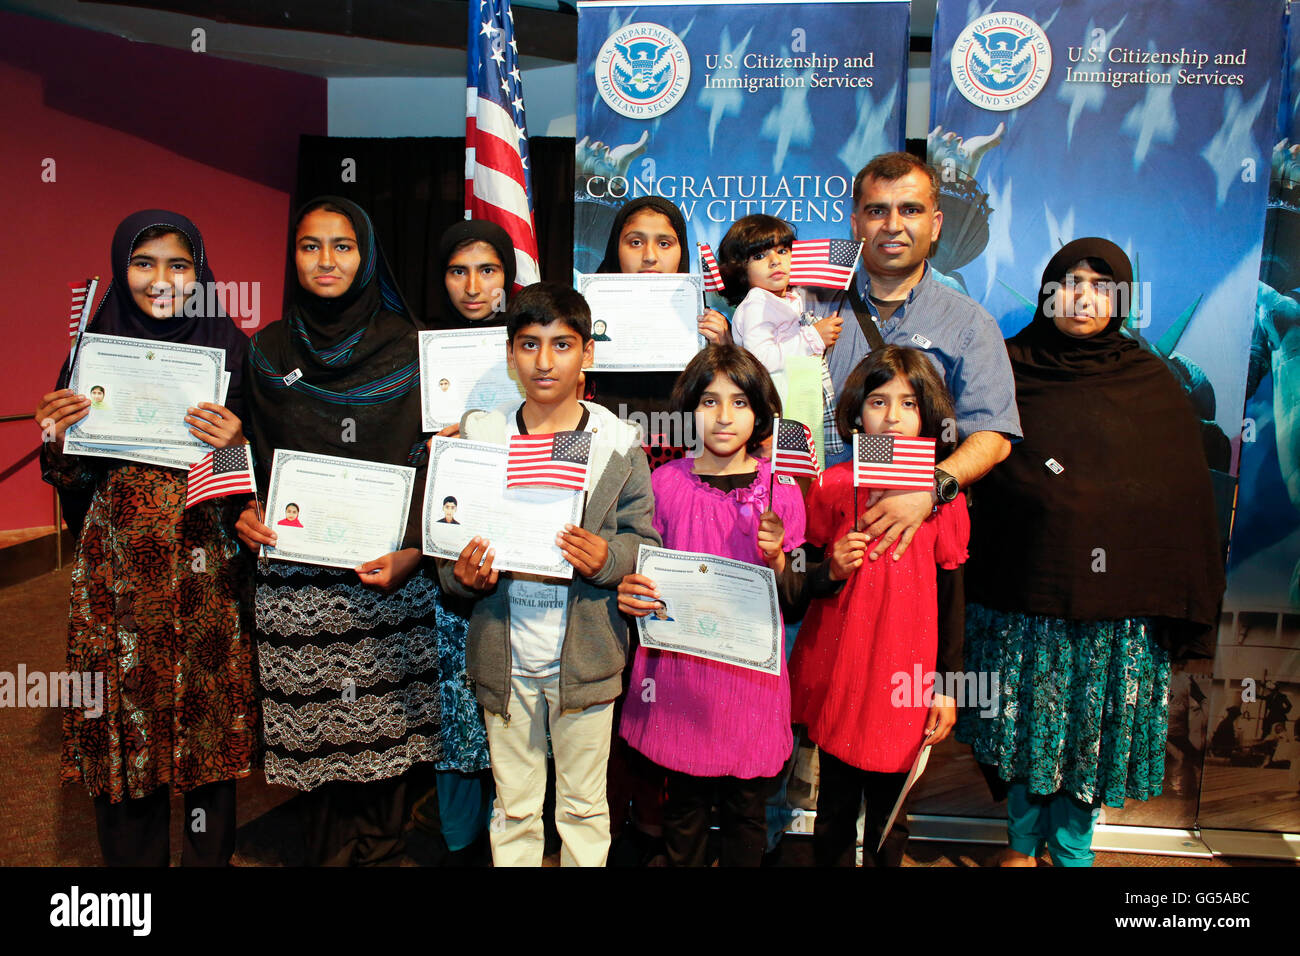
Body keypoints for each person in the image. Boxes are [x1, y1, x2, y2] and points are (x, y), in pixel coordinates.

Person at [957, 237, 1226, 867]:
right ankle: (1020, 848)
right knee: (1021, 732)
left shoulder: (1151, 384)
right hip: (1023, 597)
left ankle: (1074, 851)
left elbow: (1182, 499)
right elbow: (984, 463)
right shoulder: (1009, 367)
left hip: (1118, 616)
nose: (1081, 296)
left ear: (1121, 299)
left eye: (1099, 285)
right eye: (1069, 282)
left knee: (1089, 739)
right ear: (1048, 290)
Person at [36, 210, 256, 866]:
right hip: (117, 578)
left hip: (204, 572)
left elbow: (251, 484)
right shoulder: (93, 347)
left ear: (200, 272)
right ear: (119, 268)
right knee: (123, 721)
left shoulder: (232, 349)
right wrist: (58, 434)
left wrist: (237, 444)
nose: (161, 279)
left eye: (178, 264)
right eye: (144, 262)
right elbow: (72, 479)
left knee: (204, 721)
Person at [235, 197, 442, 866]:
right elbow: (244, 448)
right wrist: (240, 506)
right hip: (296, 588)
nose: (326, 260)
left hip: (387, 580)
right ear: (292, 258)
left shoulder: (412, 347)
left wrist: (414, 546)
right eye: (310, 246)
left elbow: (437, 457)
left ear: (367, 255)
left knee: (388, 750)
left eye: (343, 246)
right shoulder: (266, 349)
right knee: (316, 752)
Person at [438, 282, 661, 867]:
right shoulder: (481, 437)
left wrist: (608, 559)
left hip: (585, 660)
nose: (544, 361)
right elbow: (447, 555)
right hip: (504, 657)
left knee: (585, 806)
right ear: (510, 355)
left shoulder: (618, 442)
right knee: (513, 806)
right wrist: (465, 576)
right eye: (529, 344)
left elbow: (645, 544)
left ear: (587, 354)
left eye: (562, 345)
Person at [616, 345, 807, 866]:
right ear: (688, 410)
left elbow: (794, 599)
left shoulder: (782, 492)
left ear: (761, 411)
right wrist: (632, 592)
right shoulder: (664, 484)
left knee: (747, 809)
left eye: (740, 402)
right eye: (709, 401)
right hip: (680, 675)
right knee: (684, 805)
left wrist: (777, 559)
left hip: (751, 678)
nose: (724, 416)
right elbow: (645, 570)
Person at [788, 346, 969, 866]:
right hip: (842, 670)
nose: (891, 417)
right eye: (878, 401)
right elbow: (807, 580)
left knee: (892, 815)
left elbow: (954, 596)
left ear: (927, 414)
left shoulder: (944, 500)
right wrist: (829, 570)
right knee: (836, 805)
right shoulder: (833, 486)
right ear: (856, 412)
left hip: (907, 677)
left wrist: (948, 688)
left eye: (908, 404)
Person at [804, 152, 1020, 558]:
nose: (893, 225)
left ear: (935, 225)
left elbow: (993, 435)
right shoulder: (804, 306)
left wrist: (932, 488)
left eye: (911, 210)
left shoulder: (969, 323)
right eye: (877, 210)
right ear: (856, 224)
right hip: (813, 536)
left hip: (916, 539)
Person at [585, 196, 731, 433]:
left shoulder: (711, 327)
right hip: (606, 449)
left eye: (664, 243)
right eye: (635, 242)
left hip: (686, 454)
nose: (650, 256)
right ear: (615, 248)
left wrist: (725, 350)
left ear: (681, 250)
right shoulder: (583, 318)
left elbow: (732, 405)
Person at [718, 214, 842, 410]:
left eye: (783, 251)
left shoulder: (788, 297)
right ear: (741, 270)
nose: (775, 261)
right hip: (777, 404)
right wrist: (813, 337)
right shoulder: (757, 304)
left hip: (797, 397)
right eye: (759, 256)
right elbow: (760, 360)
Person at [428, 218, 515, 329]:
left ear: (507, 275)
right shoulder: (419, 343)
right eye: (458, 272)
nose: (472, 290)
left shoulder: (529, 338)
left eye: (487, 271)